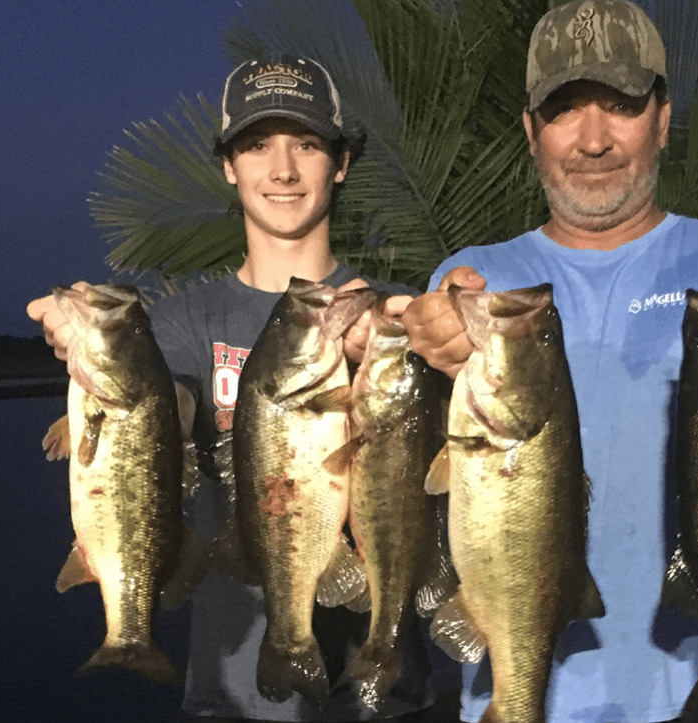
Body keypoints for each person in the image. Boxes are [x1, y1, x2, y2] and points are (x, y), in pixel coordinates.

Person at [400, 2, 698, 722]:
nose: (593, 140)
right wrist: (425, 357)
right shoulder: (478, 276)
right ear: (532, 130)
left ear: (661, 120)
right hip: (519, 687)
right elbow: (411, 462)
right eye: (565, 109)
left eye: (622, 106)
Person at [27, 54, 435, 723]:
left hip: (388, 697)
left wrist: (409, 350)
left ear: (340, 162)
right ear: (228, 165)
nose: (281, 169)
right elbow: (172, 404)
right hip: (231, 698)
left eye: (306, 143)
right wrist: (98, 360)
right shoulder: (179, 322)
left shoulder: (397, 316)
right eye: (257, 144)